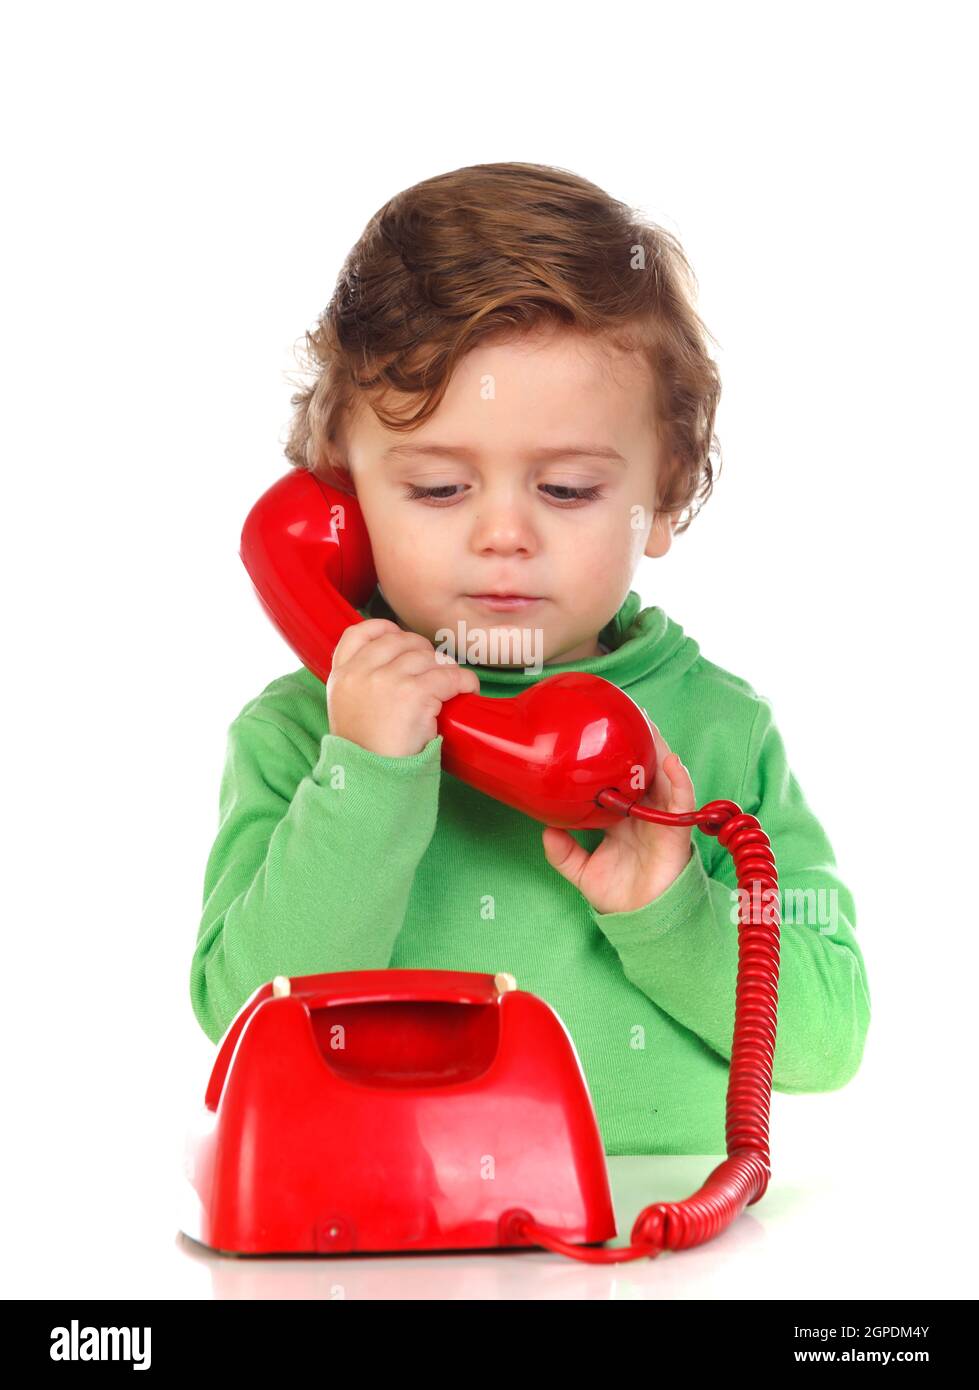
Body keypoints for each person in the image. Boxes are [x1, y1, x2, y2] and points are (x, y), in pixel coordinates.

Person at [190, 162, 870, 1155]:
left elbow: (827, 1038)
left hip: (655, 1258)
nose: (502, 535)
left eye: (562, 490)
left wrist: (673, 911)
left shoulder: (721, 730)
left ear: (666, 493)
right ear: (337, 496)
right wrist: (365, 782)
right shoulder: (302, 733)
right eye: (435, 489)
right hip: (385, 1245)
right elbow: (240, 1015)